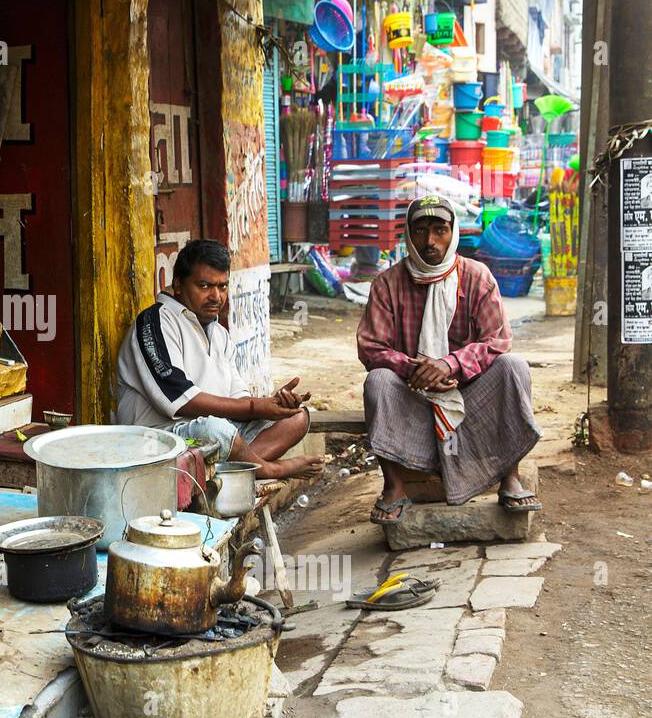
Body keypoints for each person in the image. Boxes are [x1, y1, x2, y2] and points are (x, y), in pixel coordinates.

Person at [357, 195, 542, 523]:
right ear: (408, 235)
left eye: (439, 230)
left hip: (469, 392)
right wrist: (416, 369)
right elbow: (372, 348)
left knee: (514, 367)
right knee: (378, 380)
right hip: (412, 394)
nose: (430, 241)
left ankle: (509, 477)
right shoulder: (387, 284)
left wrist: (450, 364)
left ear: (453, 231)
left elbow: (497, 340)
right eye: (421, 230)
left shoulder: (477, 277)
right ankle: (394, 487)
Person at [115, 239, 324, 480]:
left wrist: (274, 405)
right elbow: (180, 401)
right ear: (179, 285)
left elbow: (238, 399)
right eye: (204, 286)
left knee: (296, 418)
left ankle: (228, 472)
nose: (216, 296)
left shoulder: (219, 334)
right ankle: (270, 469)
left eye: (222, 286)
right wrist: (256, 407)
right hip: (163, 440)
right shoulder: (156, 322)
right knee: (216, 431)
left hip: (211, 438)